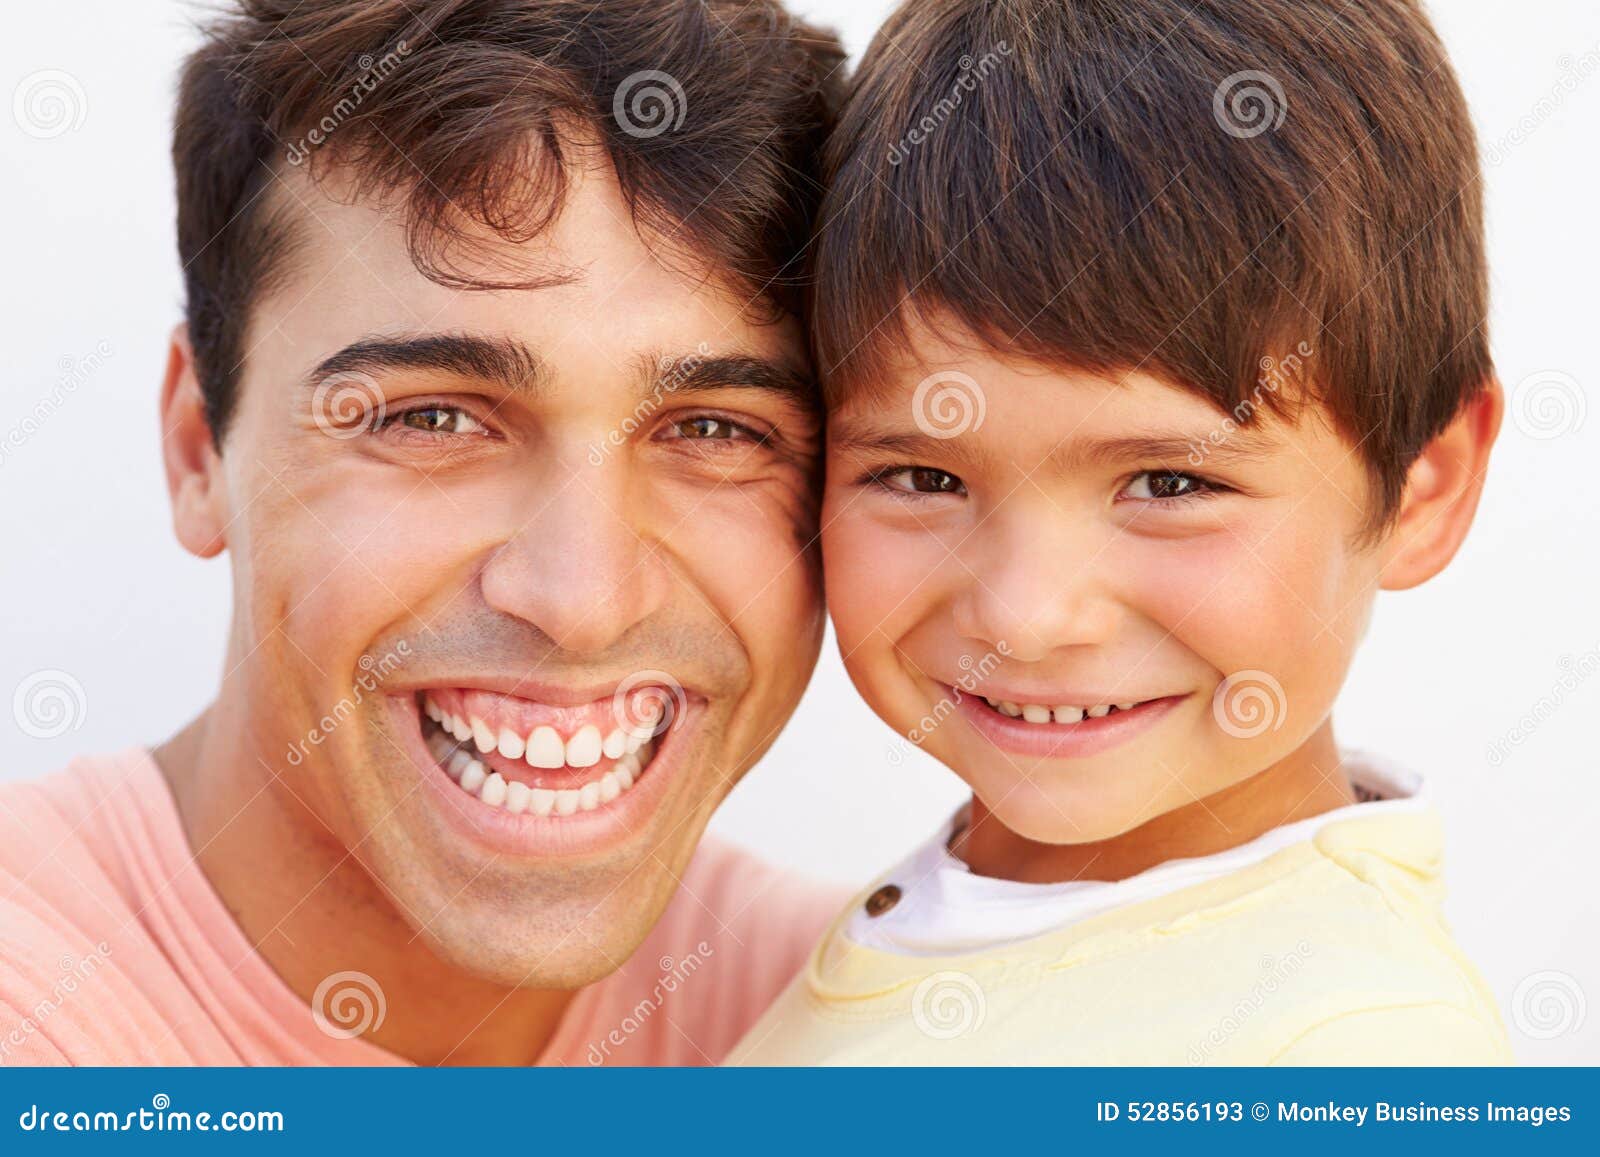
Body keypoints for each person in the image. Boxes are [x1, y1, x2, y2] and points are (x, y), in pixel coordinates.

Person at [0, 0, 849, 1066]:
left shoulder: (892, 1024)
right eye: (431, 418)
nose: (581, 600)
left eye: (716, 429)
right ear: (193, 446)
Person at [732, 0, 1511, 1064]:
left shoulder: (1350, 1051)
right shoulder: (921, 918)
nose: (1027, 614)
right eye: (923, 475)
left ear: (1423, 483)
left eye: (1167, 480)